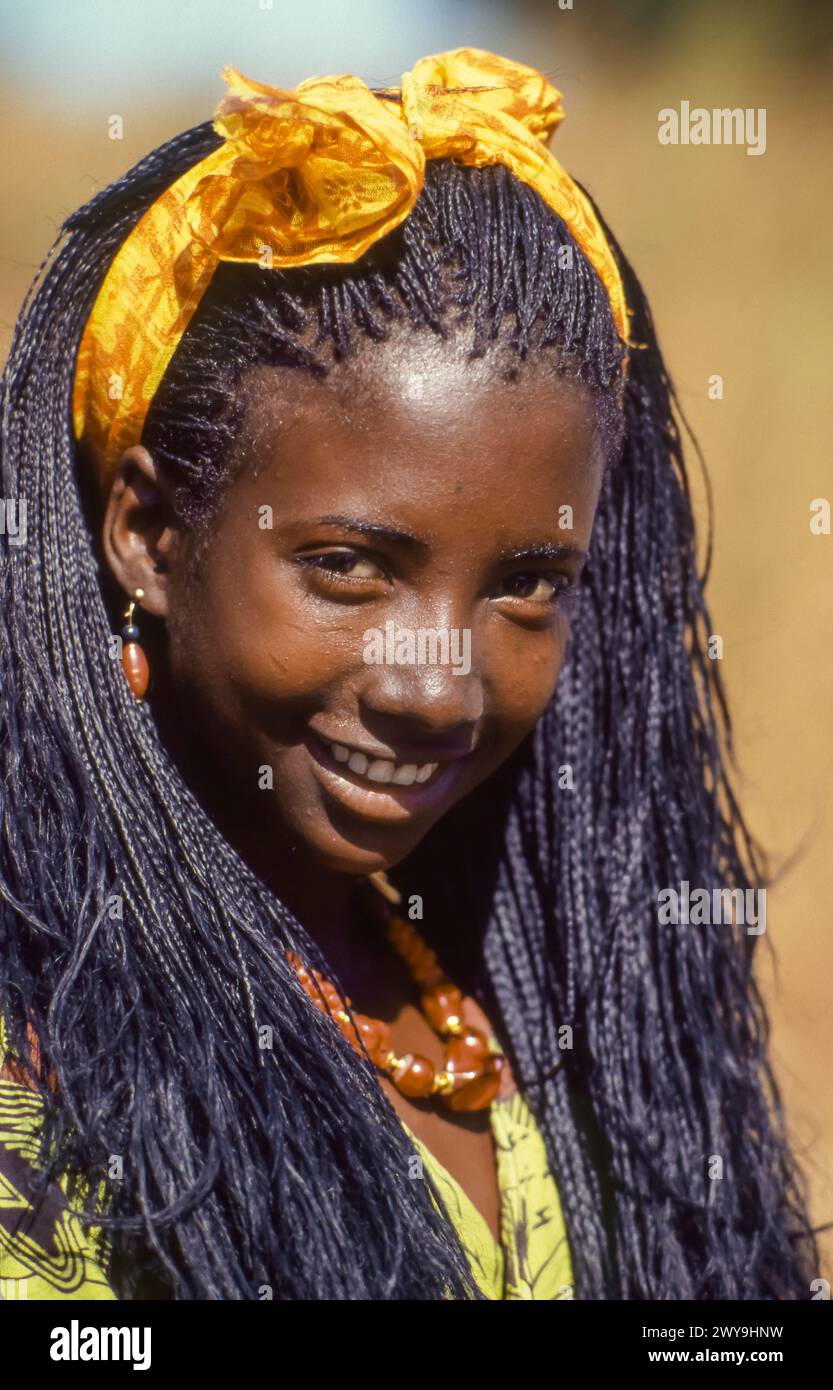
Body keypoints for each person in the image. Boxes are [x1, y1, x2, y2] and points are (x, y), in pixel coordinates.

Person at [0, 48, 819, 1301]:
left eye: (526, 582)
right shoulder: (45, 1072)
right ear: (150, 534)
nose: (438, 689)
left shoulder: (517, 1005)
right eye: (346, 566)